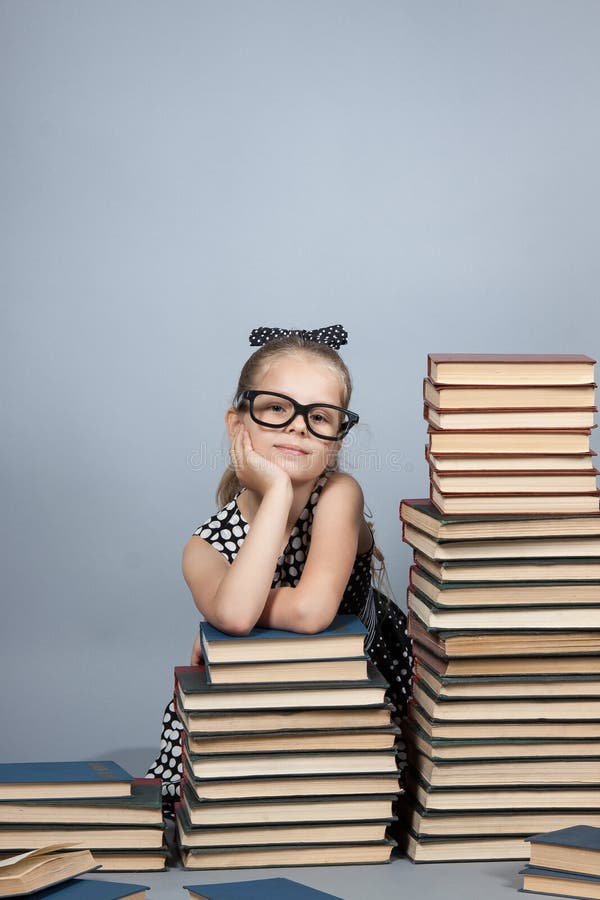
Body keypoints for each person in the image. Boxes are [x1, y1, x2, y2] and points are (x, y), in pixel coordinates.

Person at [146, 324, 413, 814]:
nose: (297, 427)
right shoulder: (203, 547)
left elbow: (309, 612)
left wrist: (227, 614)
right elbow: (237, 617)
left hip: (352, 683)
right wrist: (276, 495)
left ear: (336, 441)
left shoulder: (339, 494)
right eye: (276, 408)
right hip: (258, 693)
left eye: (320, 417)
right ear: (236, 424)